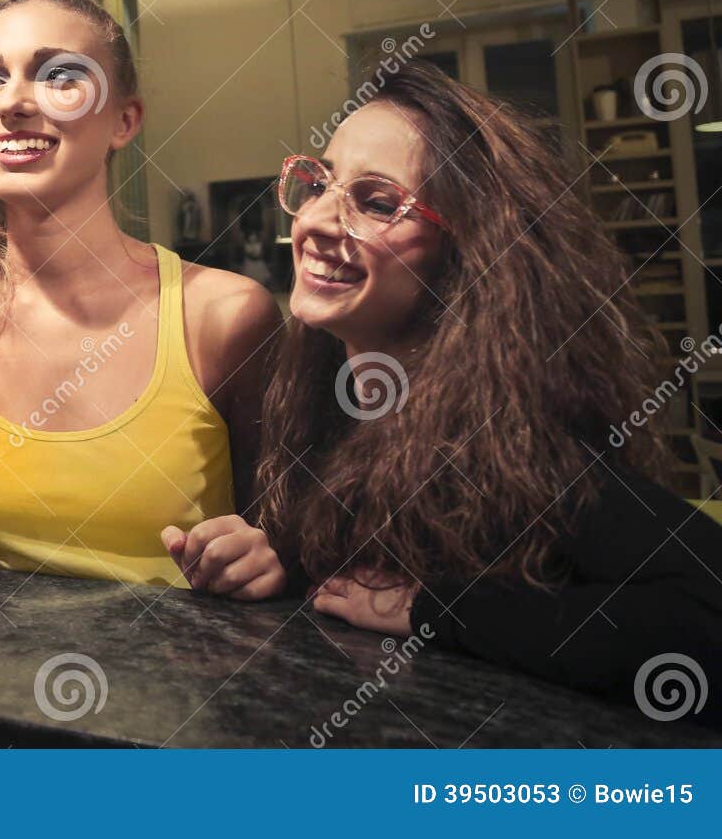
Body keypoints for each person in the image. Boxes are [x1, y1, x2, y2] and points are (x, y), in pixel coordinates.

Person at [261, 61, 722, 726]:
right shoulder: (325, 408)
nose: (319, 221)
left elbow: (704, 615)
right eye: (321, 182)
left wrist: (435, 608)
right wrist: (278, 562)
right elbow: (357, 588)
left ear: (464, 251)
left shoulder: (513, 434)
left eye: (378, 202)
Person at [0, 0, 285, 593]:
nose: (13, 103)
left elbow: (295, 542)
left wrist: (268, 562)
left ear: (123, 121)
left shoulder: (224, 316)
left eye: (58, 76)